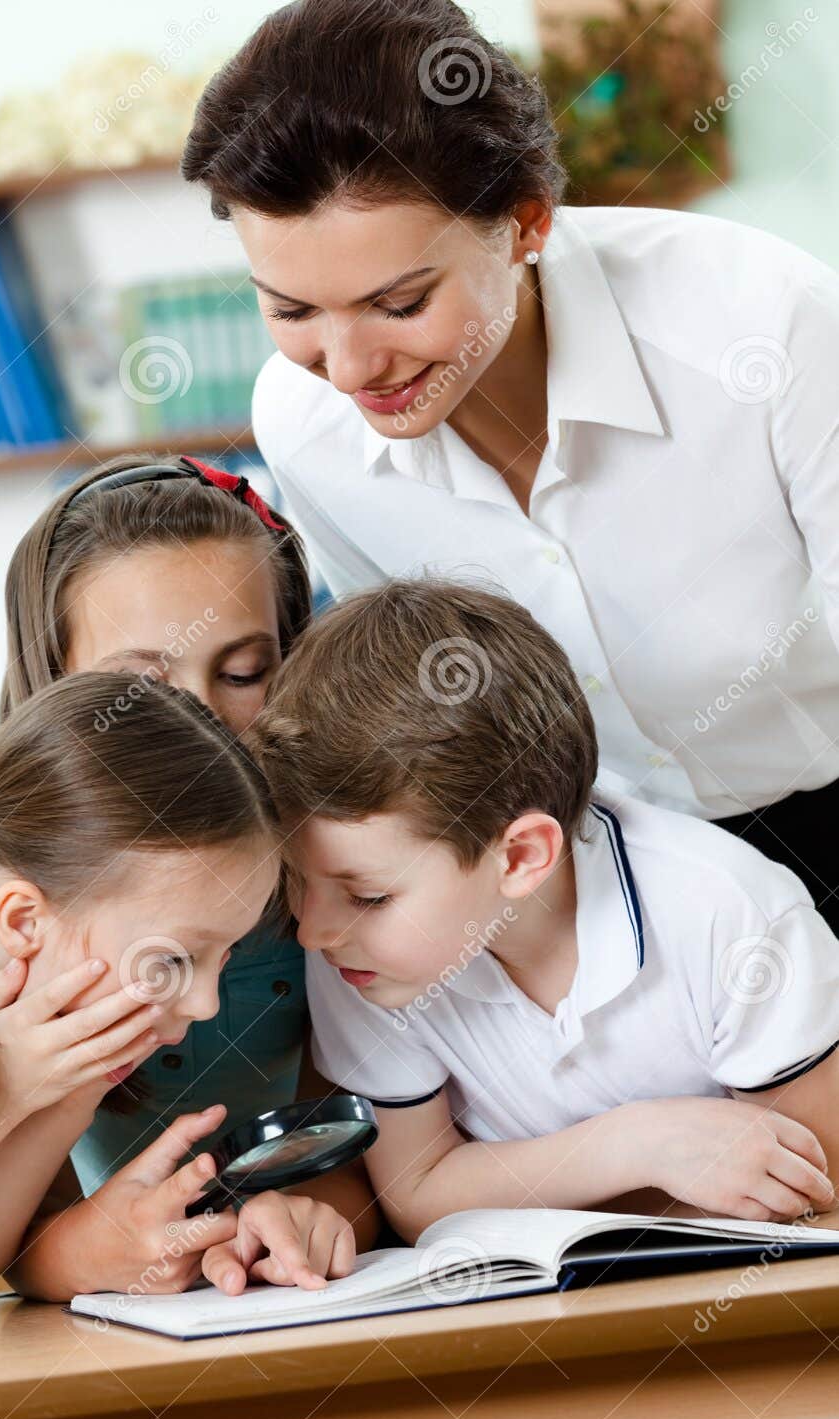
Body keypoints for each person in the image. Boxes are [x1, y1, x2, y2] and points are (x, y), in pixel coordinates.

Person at [182, 0, 839, 926]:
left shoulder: (765, 329)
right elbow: (427, 710)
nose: (351, 366)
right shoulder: (302, 424)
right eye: (291, 311)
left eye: (399, 303)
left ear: (526, 222)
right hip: (582, 875)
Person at [0, 453, 377, 1263]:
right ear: (52, 684)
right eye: (140, 688)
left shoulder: (333, 853)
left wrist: (297, 1212)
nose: (205, 722)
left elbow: (374, 1136)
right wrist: (77, 1252)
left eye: (246, 672)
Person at [0, 672, 355, 1345]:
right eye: (172, 959)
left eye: (222, 956)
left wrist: (48, 1102)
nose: (202, 1003)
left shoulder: (40, 1016)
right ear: (22, 919)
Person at [249, 578, 839, 1241]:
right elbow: (414, 1199)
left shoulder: (726, 913)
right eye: (295, 878)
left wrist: (510, 1188)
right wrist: (638, 1143)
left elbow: (810, 1193)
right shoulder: (363, 956)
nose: (311, 930)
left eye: (370, 896)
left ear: (521, 857)